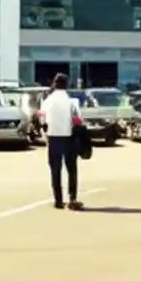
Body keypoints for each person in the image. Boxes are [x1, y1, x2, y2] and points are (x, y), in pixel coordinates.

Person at [41, 72, 84, 210]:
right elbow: (78, 120)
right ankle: (72, 198)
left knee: (55, 170)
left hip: (53, 138)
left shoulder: (47, 101)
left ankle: (58, 200)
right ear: (67, 85)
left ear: (54, 84)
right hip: (69, 138)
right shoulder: (72, 102)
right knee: (71, 169)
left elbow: (41, 118)